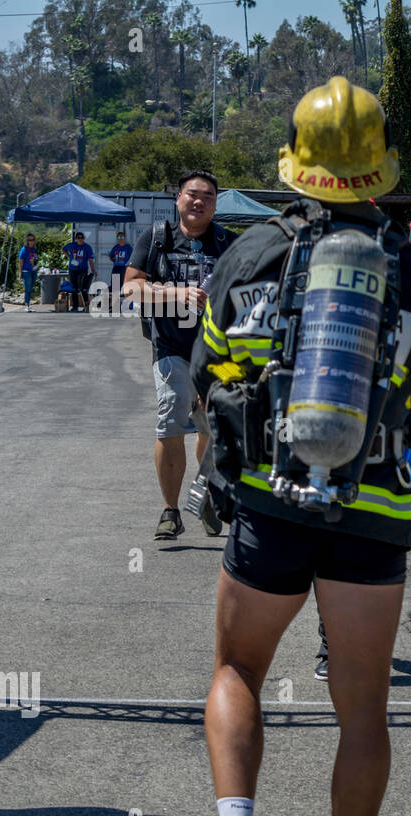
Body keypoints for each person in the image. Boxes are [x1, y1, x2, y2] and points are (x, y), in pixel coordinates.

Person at [190, 76, 411, 816]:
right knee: (362, 713)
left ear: (297, 166)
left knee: (237, 669)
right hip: (374, 512)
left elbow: (205, 376)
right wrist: (407, 417)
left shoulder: (249, 256)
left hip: (269, 505)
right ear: (379, 168)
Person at [125, 170, 235, 540]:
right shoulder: (156, 239)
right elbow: (130, 288)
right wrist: (177, 294)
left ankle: (202, 495)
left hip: (219, 353)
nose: (199, 201)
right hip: (171, 347)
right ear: (178, 199)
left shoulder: (229, 244)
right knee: (172, 415)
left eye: (208, 196)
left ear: (215, 204)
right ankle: (171, 511)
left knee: (211, 427)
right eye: (192, 194)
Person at [313, 432, 411, 682]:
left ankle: (346, 649)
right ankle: (336, 649)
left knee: (346, 573)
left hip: (369, 495)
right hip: (368, 495)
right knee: (339, 572)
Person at [62, 231, 95, 312]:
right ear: (76, 239)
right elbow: (63, 249)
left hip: (82, 269)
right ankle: (75, 306)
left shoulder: (87, 247)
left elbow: (90, 259)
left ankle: (86, 305)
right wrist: (69, 257)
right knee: (74, 288)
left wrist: (93, 269)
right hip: (72, 269)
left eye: (81, 238)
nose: (80, 239)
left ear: (83, 238)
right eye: (78, 238)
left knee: (83, 287)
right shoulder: (72, 245)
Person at [18, 233, 39, 312]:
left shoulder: (34, 249)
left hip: (33, 271)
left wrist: (37, 266)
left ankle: (28, 305)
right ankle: (27, 305)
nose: (31, 241)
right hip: (26, 271)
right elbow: (20, 261)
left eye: (33, 239)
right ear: (27, 241)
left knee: (30, 288)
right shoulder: (24, 249)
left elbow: (36, 260)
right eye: (29, 240)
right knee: (28, 289)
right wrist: (20, 273)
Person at [108, 231, 133, 297]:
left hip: (124, 268)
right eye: (119, 237)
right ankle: (115, 302)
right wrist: (114, 260)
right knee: (115, 286)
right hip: (116, 268)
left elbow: (132, 258)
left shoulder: (128, 248)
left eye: (122, 237)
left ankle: (123, 302)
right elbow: (111, 257)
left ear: (125, 238)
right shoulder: (115, 247)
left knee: (123, 285)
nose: (120, 238)